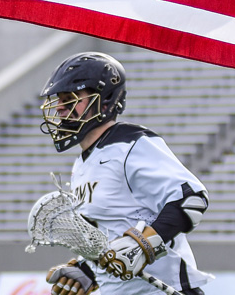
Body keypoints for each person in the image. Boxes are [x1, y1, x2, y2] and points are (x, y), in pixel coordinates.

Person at [36, 52, 213, 295]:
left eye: (70, 99)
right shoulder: (81, 164)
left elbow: (191, 199)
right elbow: (111, 235)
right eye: (59, 100)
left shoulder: (131, 144)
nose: (60, 109)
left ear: (104, 102)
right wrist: (89, 270)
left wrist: (143, 245)